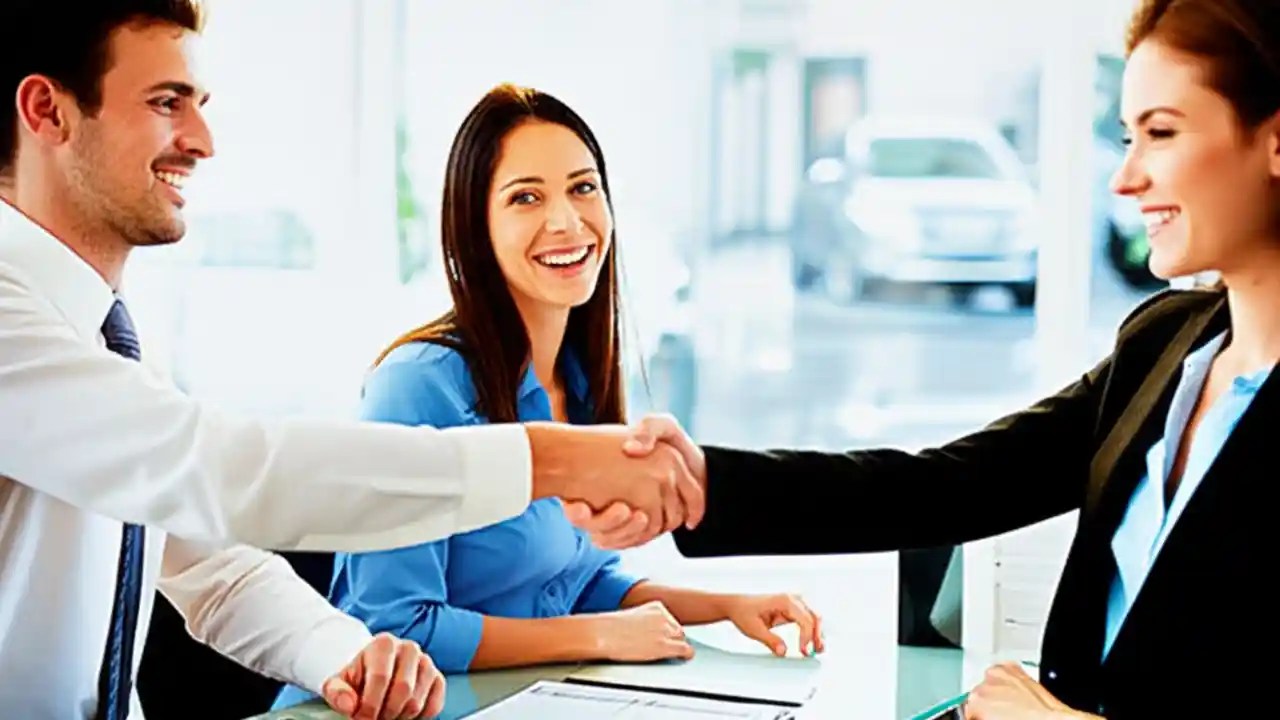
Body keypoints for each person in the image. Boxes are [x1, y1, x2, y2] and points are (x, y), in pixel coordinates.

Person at [579, 0, 1280, 717]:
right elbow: (949, 485)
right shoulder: (1164, 348)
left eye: (1161, 133)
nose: (1124, 178)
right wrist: (701, 484)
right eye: (1126, 136)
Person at [0, 2, 702, 717]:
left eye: (199, 104)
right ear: (47, 111)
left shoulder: (99, 333)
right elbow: (220, 468)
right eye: (166, 103)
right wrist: (552, 460)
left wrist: (344, 652)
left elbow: (213, 568)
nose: (204, 140)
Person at [271, 84, 823, 710]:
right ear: (475, 226)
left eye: (583, 188)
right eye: (525, 197)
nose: (566, 220)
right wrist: (598, 638)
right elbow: (395, 626)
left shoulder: (580, 380)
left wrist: (725, 608)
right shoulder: (419, 383)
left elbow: (577, 581)